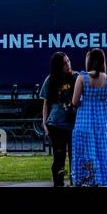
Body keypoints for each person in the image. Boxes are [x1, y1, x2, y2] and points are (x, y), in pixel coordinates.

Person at [70, 48, 107, 187]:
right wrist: (101, 101)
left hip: (84, 122)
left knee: (85, 152)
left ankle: (86, 180)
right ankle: (102, 179)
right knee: (102, 152)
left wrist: (85, 101)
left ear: (89, 61)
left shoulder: (82, 78)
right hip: (102, 123)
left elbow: (74, 102)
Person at [40, 52, 76, 186]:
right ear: (57, 66)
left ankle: (75, 181)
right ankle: (59, 183)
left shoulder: (76, 77)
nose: (68, 65)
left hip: (74, 125)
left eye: (68, 61)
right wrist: (44, 123)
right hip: (56, 125)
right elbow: (46, 103)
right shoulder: (50, 80)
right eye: (64, 63)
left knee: (75, 157)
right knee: (59, 158)